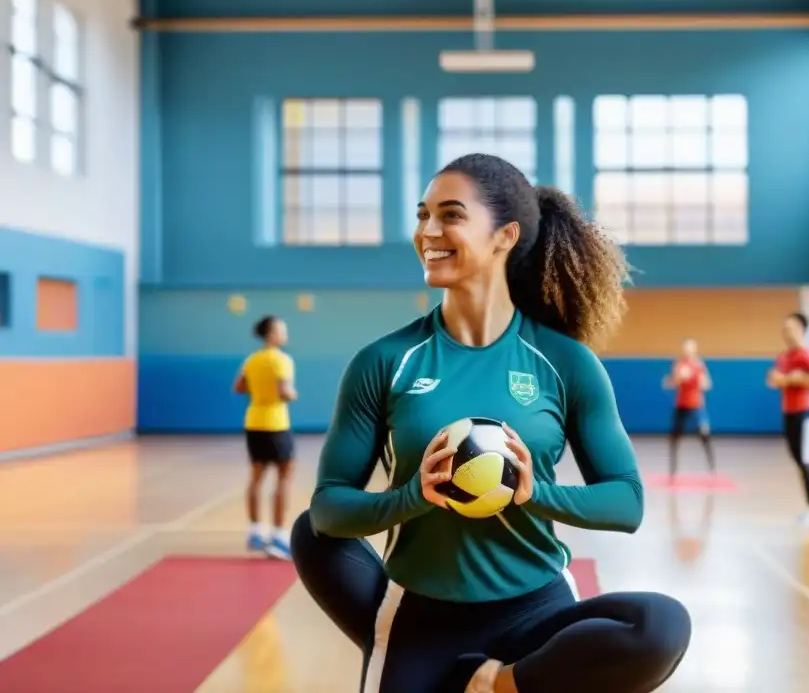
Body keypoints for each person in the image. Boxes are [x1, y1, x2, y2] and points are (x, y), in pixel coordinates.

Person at [290, 154, 691, 693]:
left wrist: (534, 493)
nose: (427, 231)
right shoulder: (385, 362)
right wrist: (411, 496)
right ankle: (389, 637)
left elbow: (627, 503)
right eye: (422, 215)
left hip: (537, 612)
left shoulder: (565, 363)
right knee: (309, 534)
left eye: (450, 215)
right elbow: (330, 507)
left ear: (505, 235)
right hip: (421, 614)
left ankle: (500, 684)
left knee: (660, 626)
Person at [234, 315, 298, 559]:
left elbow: (239, 387)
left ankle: (254, 531)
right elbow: (284, 392)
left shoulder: (252, 360)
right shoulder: (281, 360)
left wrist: (259, 389)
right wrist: (291, 393)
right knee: (284, 476)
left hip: (253, 423)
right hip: (275, 425)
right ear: (271, 334)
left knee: (256, 477)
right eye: (282, 329)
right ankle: (279, 537)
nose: (285, 333)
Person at [766, 312, 809, 528]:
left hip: (805, 414)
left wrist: (800, 379)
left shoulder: (806, 355)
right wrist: (776, 379)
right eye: (784, 329)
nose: (786, 333)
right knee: (798, 460)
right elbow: (774, 377)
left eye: (790, 328)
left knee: (806, 459)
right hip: (789, 413)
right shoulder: (784, 356)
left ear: (801, 330)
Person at [662, 338, 714, 475]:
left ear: (694, 350)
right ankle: (673, 469)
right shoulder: (679, 365)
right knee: (675, 436)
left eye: (689, 348)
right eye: (685, 348)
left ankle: (712, 466)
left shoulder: (699, 365)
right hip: (681, 405)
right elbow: (672, 382)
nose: (687, 351)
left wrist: (703, 383)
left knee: (704, 434)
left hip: (696, 405)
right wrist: (676, 380)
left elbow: (707, 383)